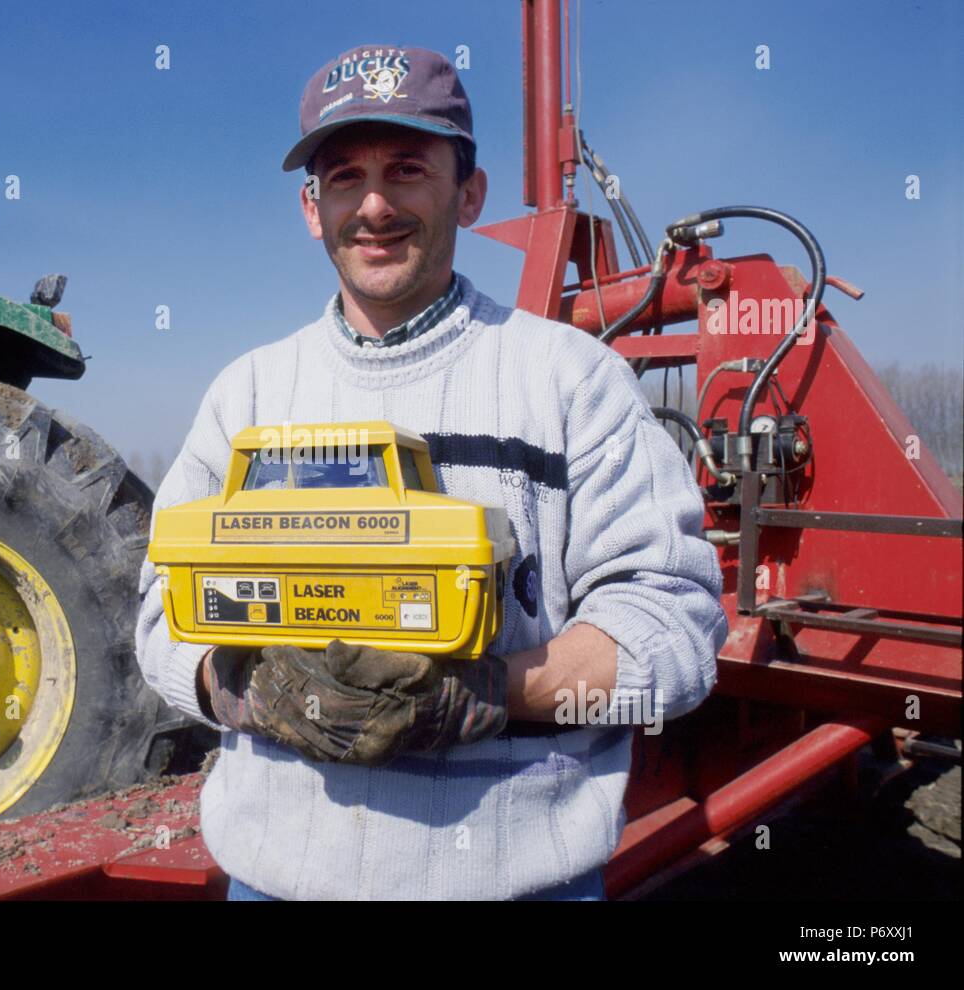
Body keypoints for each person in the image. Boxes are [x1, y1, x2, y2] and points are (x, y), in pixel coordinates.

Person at [134, 45, 727, 901]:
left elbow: (672, 634)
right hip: (277, 884)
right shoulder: (249, 394)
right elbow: (160, 610)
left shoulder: (569, 381)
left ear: (470, 193)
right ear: (312, 207)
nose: (374, 205)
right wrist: (245, 693)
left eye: (408, 169)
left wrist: (480, 694)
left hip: (519, 885)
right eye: (346, 177)